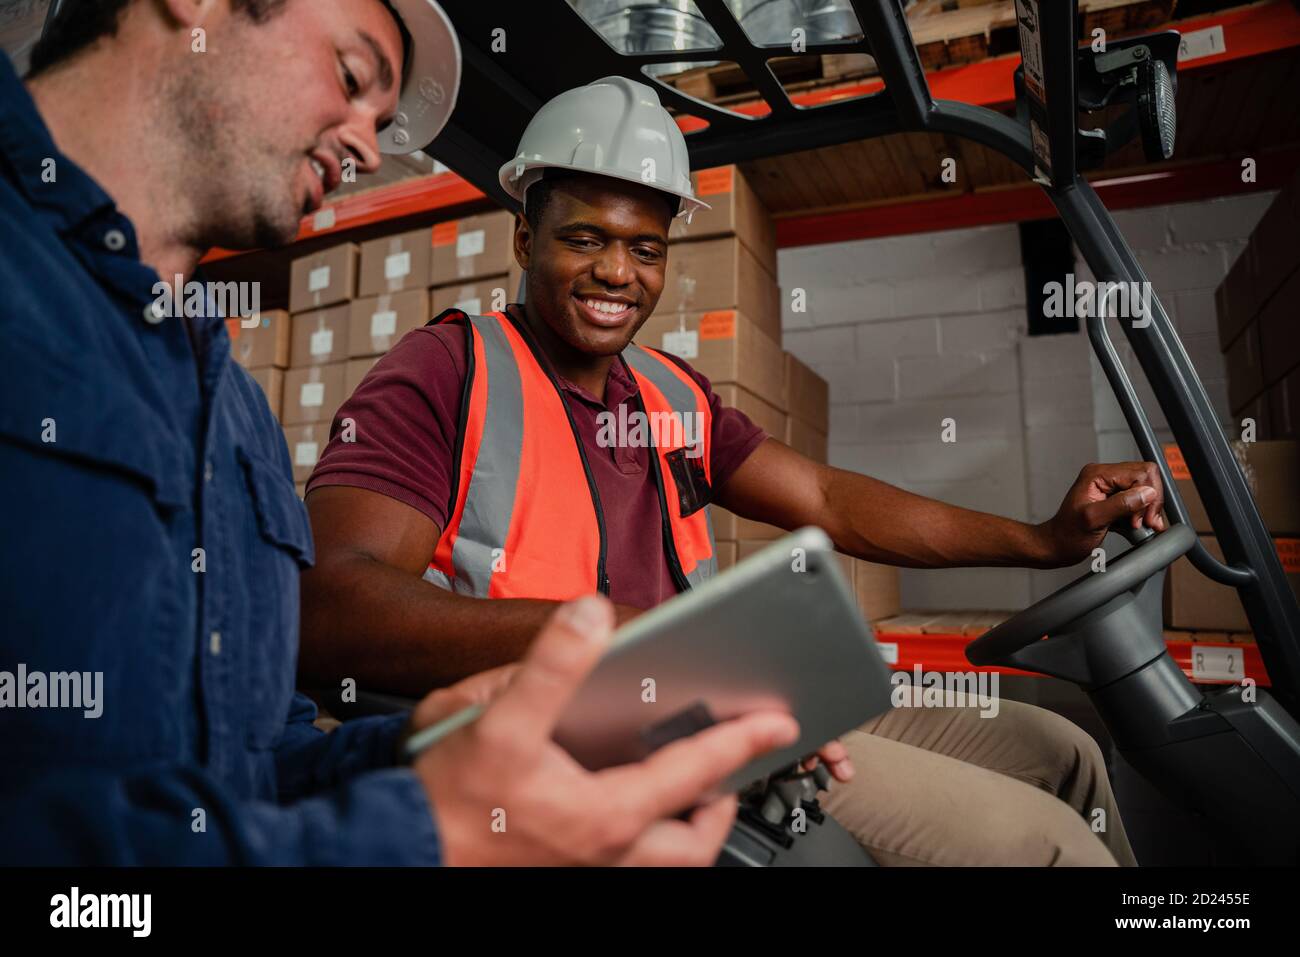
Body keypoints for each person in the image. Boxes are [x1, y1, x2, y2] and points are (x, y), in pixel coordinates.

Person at [0, 0, 801, 867]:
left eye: (382, 118)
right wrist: (430, 834)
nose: (370, 148)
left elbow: (256, 767)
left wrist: (442, 747)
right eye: (351, 78)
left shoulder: (232, 418)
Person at [301, 75, 1170, 867]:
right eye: (584, 238)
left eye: (645, 249)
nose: (617, 272)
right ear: (525, 236)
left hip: (721, 684)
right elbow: (333, 603)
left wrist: (1042, 539)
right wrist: (607, 636)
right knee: (1053, 847)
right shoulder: (450, 369)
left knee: (1069, 755)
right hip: (609, 732)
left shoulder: (672, 390)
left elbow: (828, 498)